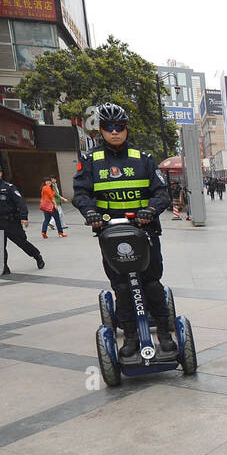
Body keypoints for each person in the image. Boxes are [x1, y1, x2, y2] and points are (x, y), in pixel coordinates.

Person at [72, 102, 172, 356]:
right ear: (101, 130)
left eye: (119, 127)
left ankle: (162, 330)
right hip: (110, 232)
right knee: (122, 287)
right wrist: (90, 212)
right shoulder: (90, 161)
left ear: (126, 129)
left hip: (145, 231)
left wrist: (151, 210)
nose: (115, 132)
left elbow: (161, 192)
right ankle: (129, 336)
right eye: (109, 127)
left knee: (151, 283)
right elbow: (81, 193)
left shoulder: (143, 159)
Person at [0, 162, 44, 275]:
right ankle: (4, 267)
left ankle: (37, 256)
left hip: (11, 222)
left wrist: (24, 217)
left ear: (0, 174)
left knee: (22, 243)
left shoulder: (9, 187)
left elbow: (20, 202)